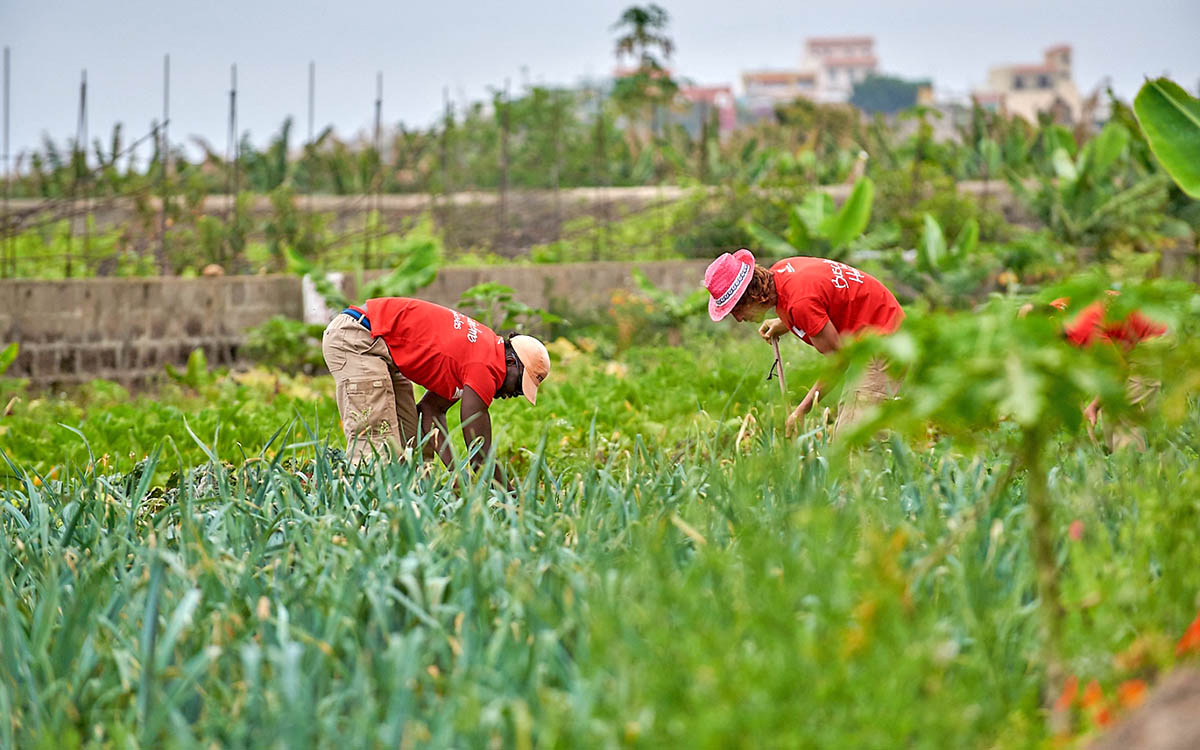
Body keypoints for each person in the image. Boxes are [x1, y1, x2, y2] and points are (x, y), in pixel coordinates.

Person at [321, 297, 550, 483]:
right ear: (511, 362)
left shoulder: (480, 354)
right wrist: (513, 502)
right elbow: (479, 455)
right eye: (520, 384)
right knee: (377, 445)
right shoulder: (487, 365)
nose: (515, 394)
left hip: (380, 346)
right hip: (359, 338)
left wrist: (456, 476)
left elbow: (431, 411)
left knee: (412, 446)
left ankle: (411, 514)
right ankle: (360, 521)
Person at [703, 250, 905, 435]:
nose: (738, 319)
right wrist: (783, 323)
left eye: (736, 310)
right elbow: (819, 302)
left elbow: (839, 362)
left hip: (885, 342)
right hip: (878, 329)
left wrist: (801, 411)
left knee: (853, 441)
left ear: (751, 296)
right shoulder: (782, 272)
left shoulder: (800, 304)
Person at [1042, 294, 1165, 448]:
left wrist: (1094, 406)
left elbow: (1119, 371)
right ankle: (1115, 457)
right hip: (1128, 336)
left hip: (1152, 336)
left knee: (1124, 410)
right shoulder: (1056, 310)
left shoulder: (1082, 329)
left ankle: (1133, 464)